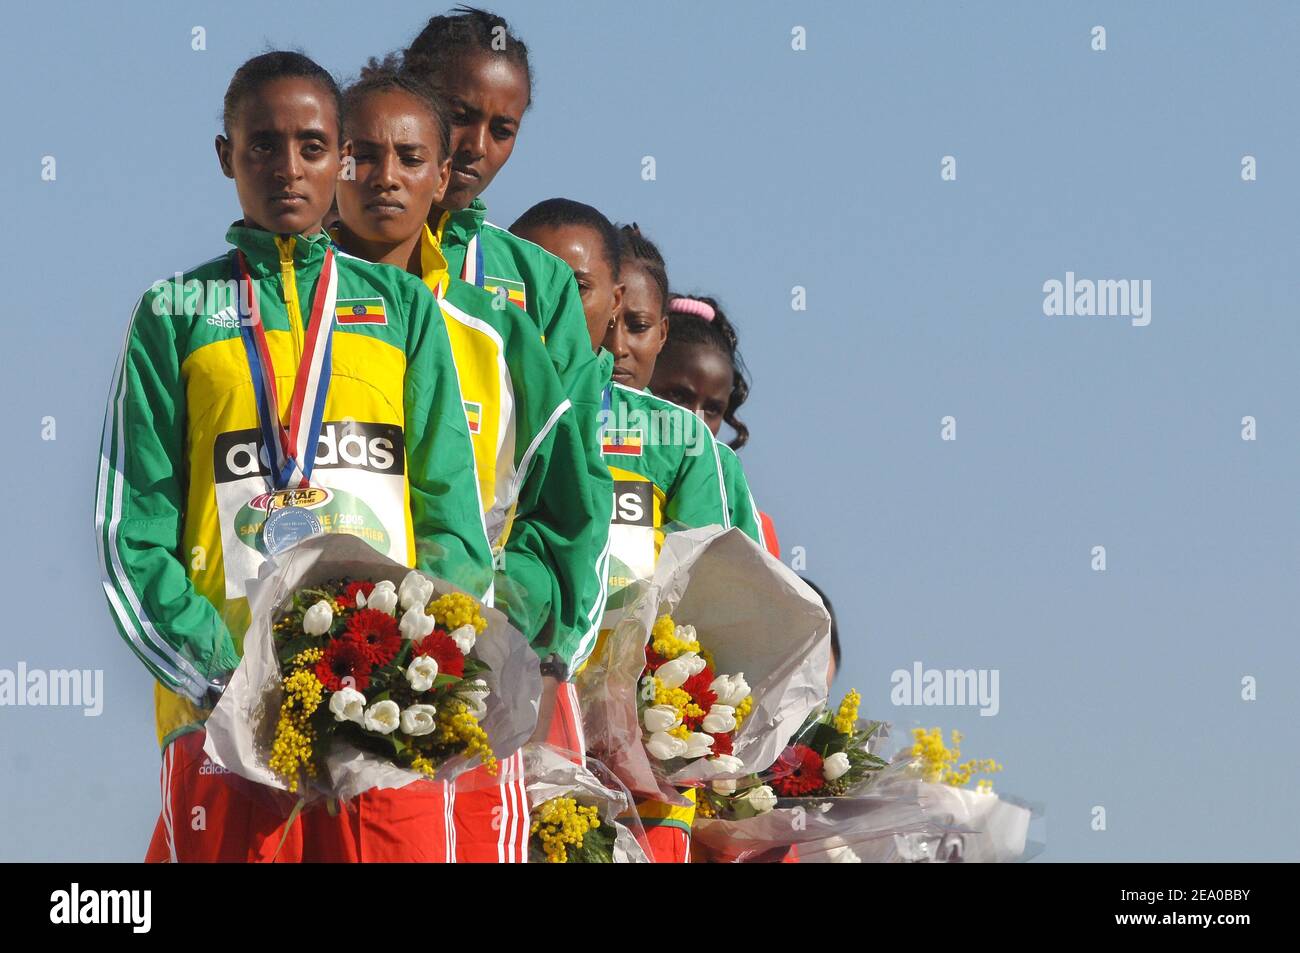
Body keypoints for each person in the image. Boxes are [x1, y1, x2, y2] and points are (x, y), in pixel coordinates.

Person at [94, 51, 494, 862]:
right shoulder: (173, 314)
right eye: (262, 146)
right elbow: (131, 534)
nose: (288, 168)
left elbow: (451, 518)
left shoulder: (402, 310)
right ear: (225, 156)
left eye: (312, 146)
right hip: (225, 725)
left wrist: (420, 661)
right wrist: (222, 678)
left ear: (342, 157)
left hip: (384, 717)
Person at [331, 58, 606, 859]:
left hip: (469, 676)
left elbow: (566, 510)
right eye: (458, 115)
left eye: (501, 128)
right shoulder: (271, 308)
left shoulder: (512, 316)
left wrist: (496, 630)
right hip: (303, 667)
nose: (476, 144)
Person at [512, 201, 762, 862]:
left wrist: (651, 688)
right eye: (530, 288)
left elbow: (719, 597)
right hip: (517, 705)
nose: (618, 342)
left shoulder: (676, 440)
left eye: (638, 324)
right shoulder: (485, 392)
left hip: (644, 734)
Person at [650, 294, 781, 557]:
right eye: (678, 397)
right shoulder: (602, 475)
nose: (695, 421)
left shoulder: (750, 529)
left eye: (711, 409)